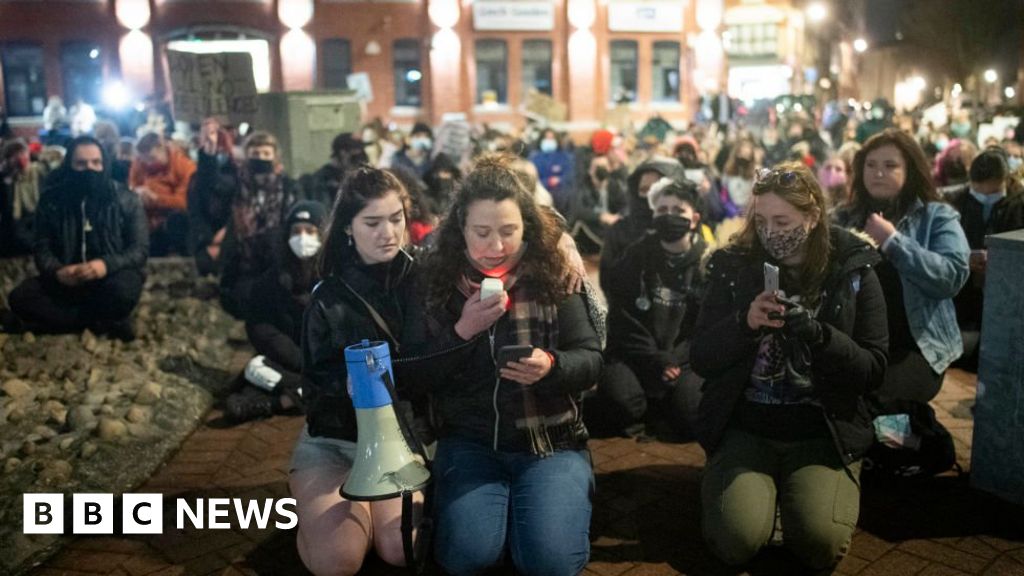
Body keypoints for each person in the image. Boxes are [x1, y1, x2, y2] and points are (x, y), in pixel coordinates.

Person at [692, 162, 888, 571]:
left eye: (782, 220)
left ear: (813, 215)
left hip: (822, 428)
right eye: (761, 220)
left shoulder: (853, 269)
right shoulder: (732, 265)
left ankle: (797, 496)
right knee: (735, 542)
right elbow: (703, 357)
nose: (770, 232)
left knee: (820, 546)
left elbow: (872, 369)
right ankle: (751, 495)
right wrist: (744, 323)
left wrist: (819, 335)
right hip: (747, 424)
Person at [420, 154, 602, 576]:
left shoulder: (554, 276)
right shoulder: (438, 283)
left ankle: (548, 512)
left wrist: (552, 366)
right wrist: (461, 331)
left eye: (509, 232)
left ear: (528, 230)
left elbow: (591, 359)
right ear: (460, 231)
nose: (495, 247)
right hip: (471, 443)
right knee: (467, 556)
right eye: (481, 233)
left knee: (551, 563)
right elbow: (417, 374)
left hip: (550, 442)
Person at [292, 166, 436, 576]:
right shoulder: (328, 297)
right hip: (338, 443)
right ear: (347, 229)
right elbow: (315, 388)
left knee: (397, 548)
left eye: (396, 219)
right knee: (338, 560)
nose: (387, 232)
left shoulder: (426, 279)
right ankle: (318, 515)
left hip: (404, 441)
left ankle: (365, 512)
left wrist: (564, 244)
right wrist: (346, 388)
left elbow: (484, 238)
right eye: (372, 222)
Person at [834, 128, 969, 407]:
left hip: (914, 346)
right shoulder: (844, 217)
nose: (878, 173)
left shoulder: (937, 216)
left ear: (910, 170)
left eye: (890, 165)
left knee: (879, 404)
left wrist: (894, 242)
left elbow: (951, 276)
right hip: (854, 342)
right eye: (870, 165)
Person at [2, 136, 148, 340]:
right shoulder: (52, 200)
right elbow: (42, 247)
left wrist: (105, 265)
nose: (89, 169)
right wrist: (57, 271)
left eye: (96, 163)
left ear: (104, 164)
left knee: (123, 290)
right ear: (70, 165)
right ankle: (98, 322)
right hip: (67, 282)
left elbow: (139, 250)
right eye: (81, 163)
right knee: (21, 297)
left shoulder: (126, 199)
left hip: (109, 278)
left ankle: (64, 323)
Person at [595, 177, 708, 438]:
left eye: (678, 211)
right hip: (635, 353)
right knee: (620, 403)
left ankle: (664, 402)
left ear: (694, 219)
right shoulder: (634, 257)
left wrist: (674, 359)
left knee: (690, 413)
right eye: (662, 210)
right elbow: (623, 319)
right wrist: (655, 359)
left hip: (683, 359)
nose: (669, 216)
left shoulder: (707, 264)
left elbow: (704, 327)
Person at [224, 200, 326, 422]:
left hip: (327, 362)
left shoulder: (336, 277)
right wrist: (298, 359)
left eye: (310, 231)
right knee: (260, 367)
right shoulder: (272, 280)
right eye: (296, 231)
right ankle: (300, 391)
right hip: (290, 361)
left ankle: (275, 402)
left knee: (336, 383)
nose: (303, 238)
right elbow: (260, 325)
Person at [946, 147, 1024, 370]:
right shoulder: (957, 201)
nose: (986, 199)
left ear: (1005, 181)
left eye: (992, 193)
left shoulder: (1019, 204)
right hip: (965, 289)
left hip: (1005, 291)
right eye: (980, 193)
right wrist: (966, 256)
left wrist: (1001, 257)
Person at [219, 131, 301, 319]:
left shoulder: (288, 187)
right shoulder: (235, 186)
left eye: (266, 154)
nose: (260, 159)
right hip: (243, 259)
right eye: (255, 154)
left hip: (276, 256)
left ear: (275, 156)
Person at [599, 156, 683, 296]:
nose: (649, 197)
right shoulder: (620, 231)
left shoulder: (687, 230)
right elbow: (608, 281)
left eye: (656, 189)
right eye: (644, 190)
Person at [128, 132, 196, 256]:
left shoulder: (184, 166)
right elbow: (132, 187)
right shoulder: (139, 162)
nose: (148, 163)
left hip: (171, 217)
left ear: (162, 148)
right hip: (145, 216)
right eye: (145, 160)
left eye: (152, 159)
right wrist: (136, 192)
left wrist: (156, 199)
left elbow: (184, 202)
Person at [187, 118, 237, 276]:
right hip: (206, 236)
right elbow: (195, 211)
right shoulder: (196, 179)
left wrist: (225, 236)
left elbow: (220, 185)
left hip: (230, 234)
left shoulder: (237, 175)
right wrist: (208, 239)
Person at [1, 139, 43, 257]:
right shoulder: (6, 179)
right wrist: (8, 179)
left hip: (38, 215)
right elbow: (8, 211)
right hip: (18, 222)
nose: (21, 158)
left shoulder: (38, 171)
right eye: (16, 155)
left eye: (23, 153)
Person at [303, 132, 368, 206]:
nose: (359, 161)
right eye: (355, 158)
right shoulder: (323, 179)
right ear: (342, 153)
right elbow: (324, 208)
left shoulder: (358, 176)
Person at [528, 128, 576, 216]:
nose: (549, 141)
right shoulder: (535, 158)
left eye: (551, 138)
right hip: (541, 192)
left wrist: (559, 180)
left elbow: (570, 175)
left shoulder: (565, 157)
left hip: (562, 193)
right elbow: (532, 178)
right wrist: (547, 182)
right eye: (546, 138)